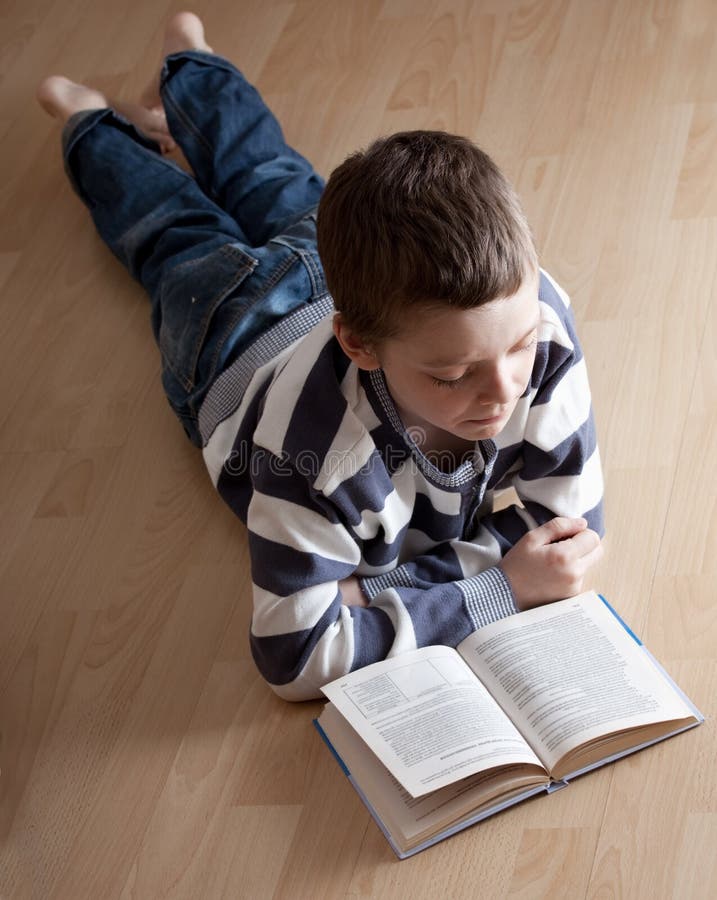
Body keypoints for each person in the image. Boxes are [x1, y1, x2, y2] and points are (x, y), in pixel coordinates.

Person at [37, 11, 604, 701]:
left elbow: (566, 532)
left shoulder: (533, 318)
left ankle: (191, 64)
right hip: (230, 334)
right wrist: (501, 584)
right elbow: (292, 656)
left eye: (517, 349)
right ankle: (87, 120)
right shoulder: (307, 453)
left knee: (269, 175)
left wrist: (368, 592)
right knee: (171, 230)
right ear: (358, 348)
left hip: (351, 278)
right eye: (453, 377)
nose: (506, 390)